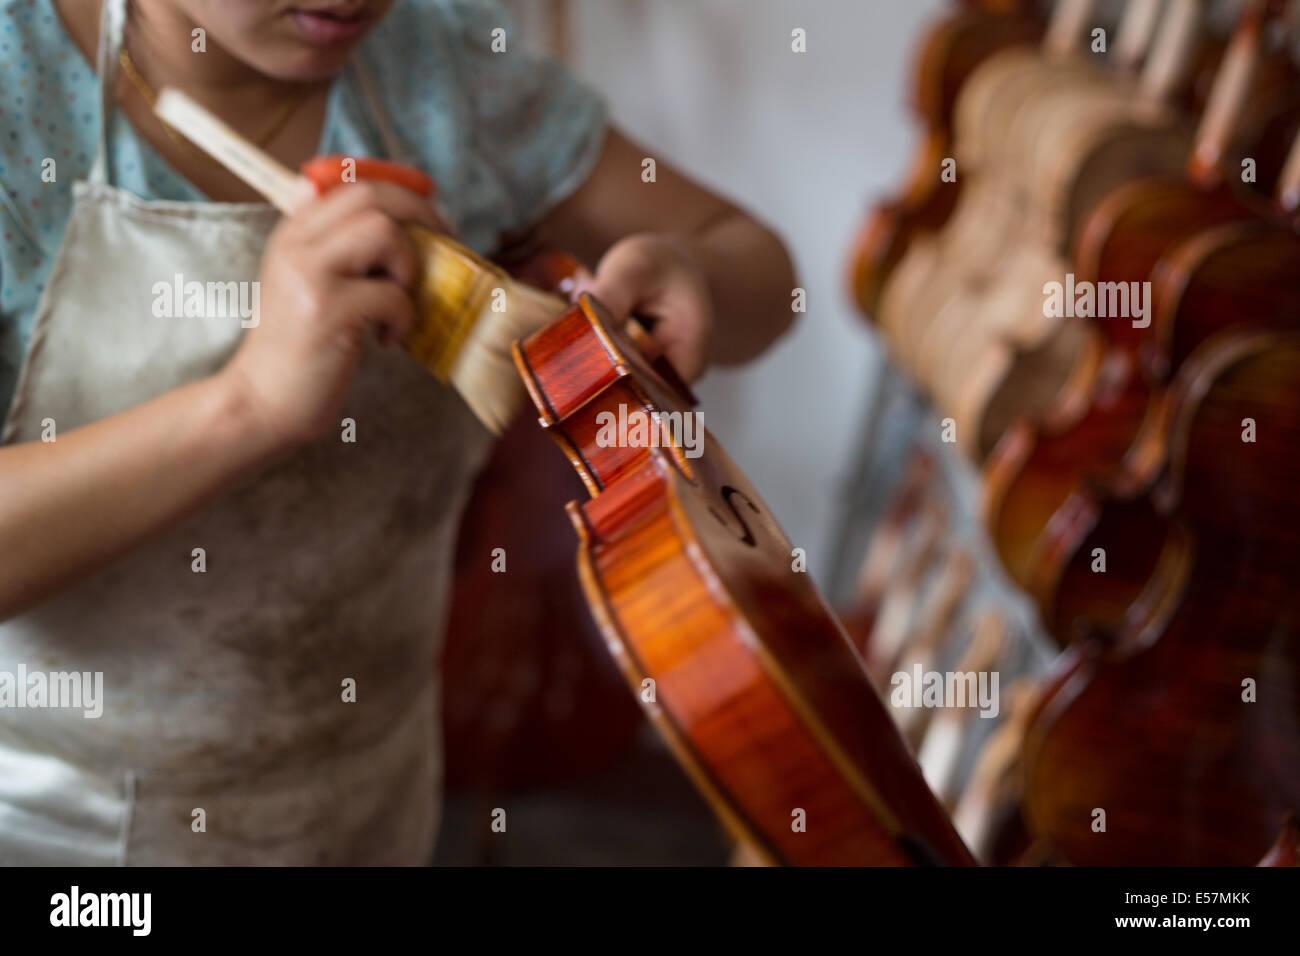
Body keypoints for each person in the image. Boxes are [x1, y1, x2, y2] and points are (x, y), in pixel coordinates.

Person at [0, 0, 796, 864]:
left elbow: (757, 263)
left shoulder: (442, 73)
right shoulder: (21, 97)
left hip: (369, 808)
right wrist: (248, 408)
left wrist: (698, 277)